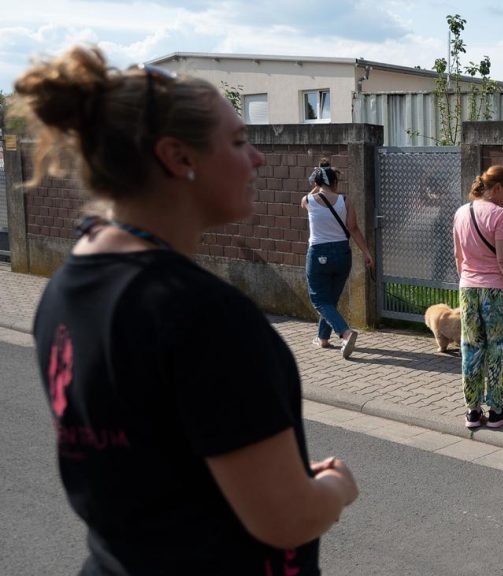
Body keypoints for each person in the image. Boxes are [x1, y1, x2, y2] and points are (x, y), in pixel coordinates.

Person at [19, 46, 358, 575]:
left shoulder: (66, 285)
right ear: (179, 158)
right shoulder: (203, 316)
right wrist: (334, 487)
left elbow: (163, 463)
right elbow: (287, 520)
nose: (258, 158)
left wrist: (274, 477)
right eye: (239, 141)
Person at [452, 165, 503, 429]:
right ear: (496, 189)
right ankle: (496, 411)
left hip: (467, 289)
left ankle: (472, 411)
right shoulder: (499, 215)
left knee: (470, 348)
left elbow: (459, 256)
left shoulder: (461, 212)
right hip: (496, 291)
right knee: (499, 350)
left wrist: (468, 281)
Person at [301, 158, 374, 359]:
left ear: (317, 182)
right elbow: (354, 229)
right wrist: (367, 253)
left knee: (318, 299)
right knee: (330, 299)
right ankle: (323, 338)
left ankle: (345, 333)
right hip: (342, 254)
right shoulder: (345, 201)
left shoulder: (309, 200)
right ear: (335, 183)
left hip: (318, 254)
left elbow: (310, 197)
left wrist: (318, 183)